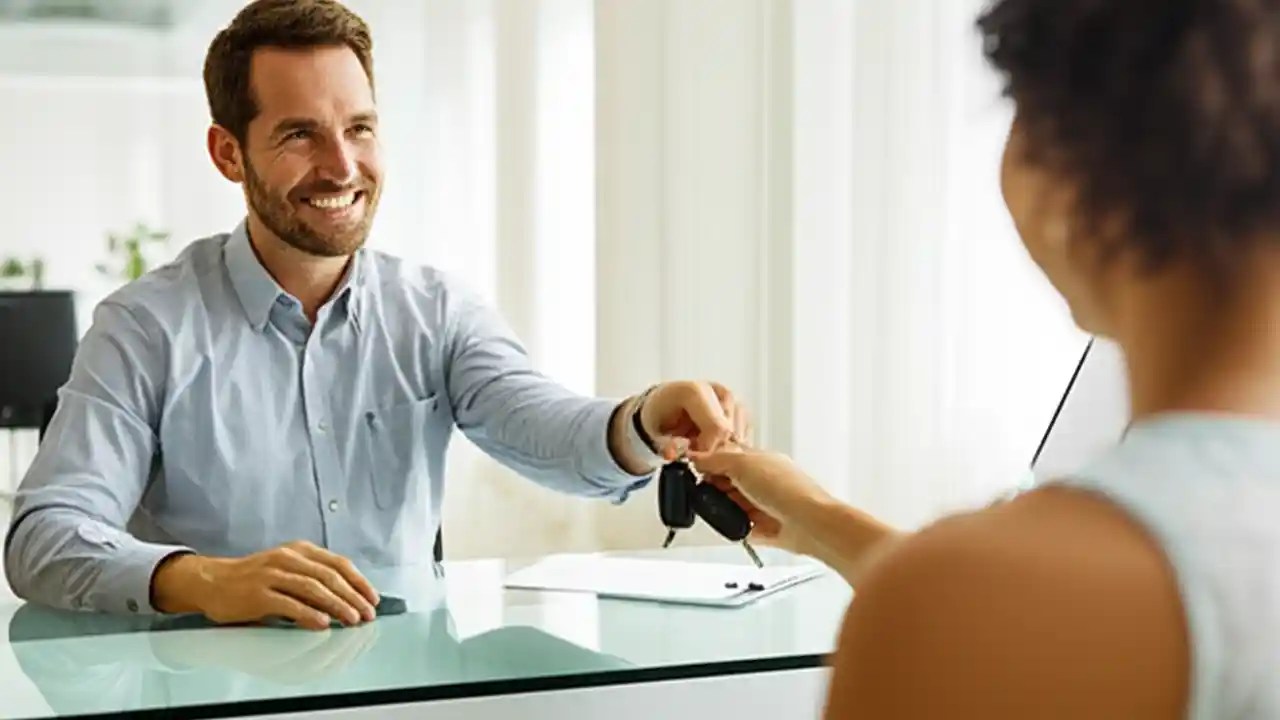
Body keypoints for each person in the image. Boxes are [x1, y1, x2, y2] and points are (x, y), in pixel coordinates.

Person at [3, 0, 749, 632]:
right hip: (206, 691)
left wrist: (647, 420)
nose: (342, 166)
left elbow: (543, 424)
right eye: (299, 135)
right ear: (228, 154)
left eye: (359, 128)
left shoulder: (435, 310)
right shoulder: (144, 325)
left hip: (401, 688)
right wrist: (204, 581)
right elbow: (44, 537)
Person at [692, 1, 1280, 717]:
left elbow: (1004, 616)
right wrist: (817, 518)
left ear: (1053, 170)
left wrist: (921, 585)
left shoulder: (974, 595)